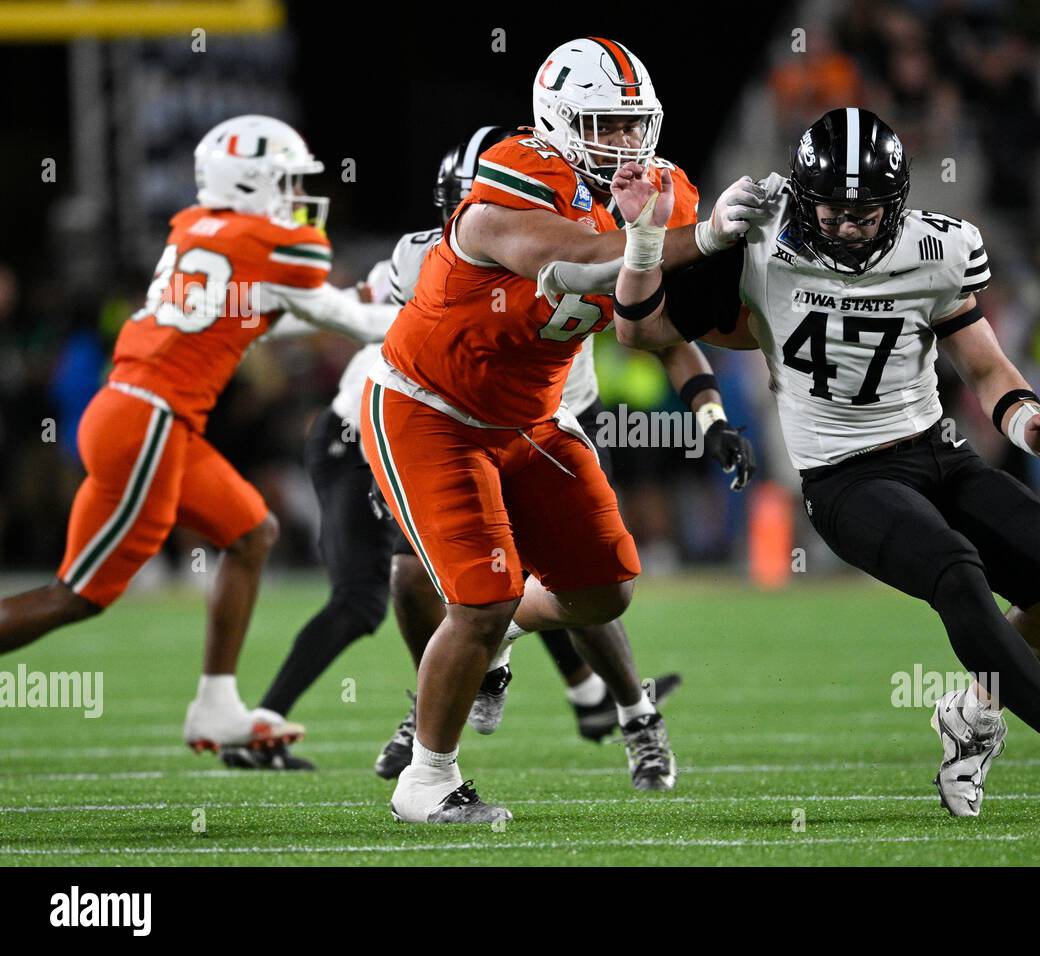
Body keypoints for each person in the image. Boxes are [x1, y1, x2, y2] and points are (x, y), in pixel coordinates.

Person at [596, 107, 1040, 817]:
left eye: (867, 212)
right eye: (833, 209)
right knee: (955, 569)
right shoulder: (757, 239)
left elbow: (986, 367)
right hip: (846, 476)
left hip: (936, 451)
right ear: (800, 195)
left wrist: (1031, 421)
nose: (850, 226)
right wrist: (644, 239)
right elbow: (639, 330)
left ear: (899, 201)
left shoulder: (936, 250)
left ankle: (970, 719)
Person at [362, 39, 757, 823]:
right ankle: (428, 780)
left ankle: (495, 636)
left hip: (533, 418)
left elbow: (657, 324)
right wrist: (704, 237)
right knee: (476, 596)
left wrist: (756, 353)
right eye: (604, 125)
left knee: (602, 588)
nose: (623, 144)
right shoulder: (518, 173)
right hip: (429, 407)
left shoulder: (662, 193)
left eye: (632, 124)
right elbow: (580, 259)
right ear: (559, 120)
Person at [0, 115, 397, 753]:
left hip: (143, 414)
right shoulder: (270, 244)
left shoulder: (196, 230)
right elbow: (347, 318)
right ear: (251, 185)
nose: (298, 197)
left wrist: (367, 308)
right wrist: (438, 308)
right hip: (147, 422)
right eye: (287, 182)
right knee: (75, 596)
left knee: (251, 532)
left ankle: (216, 705)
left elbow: (261, 320)